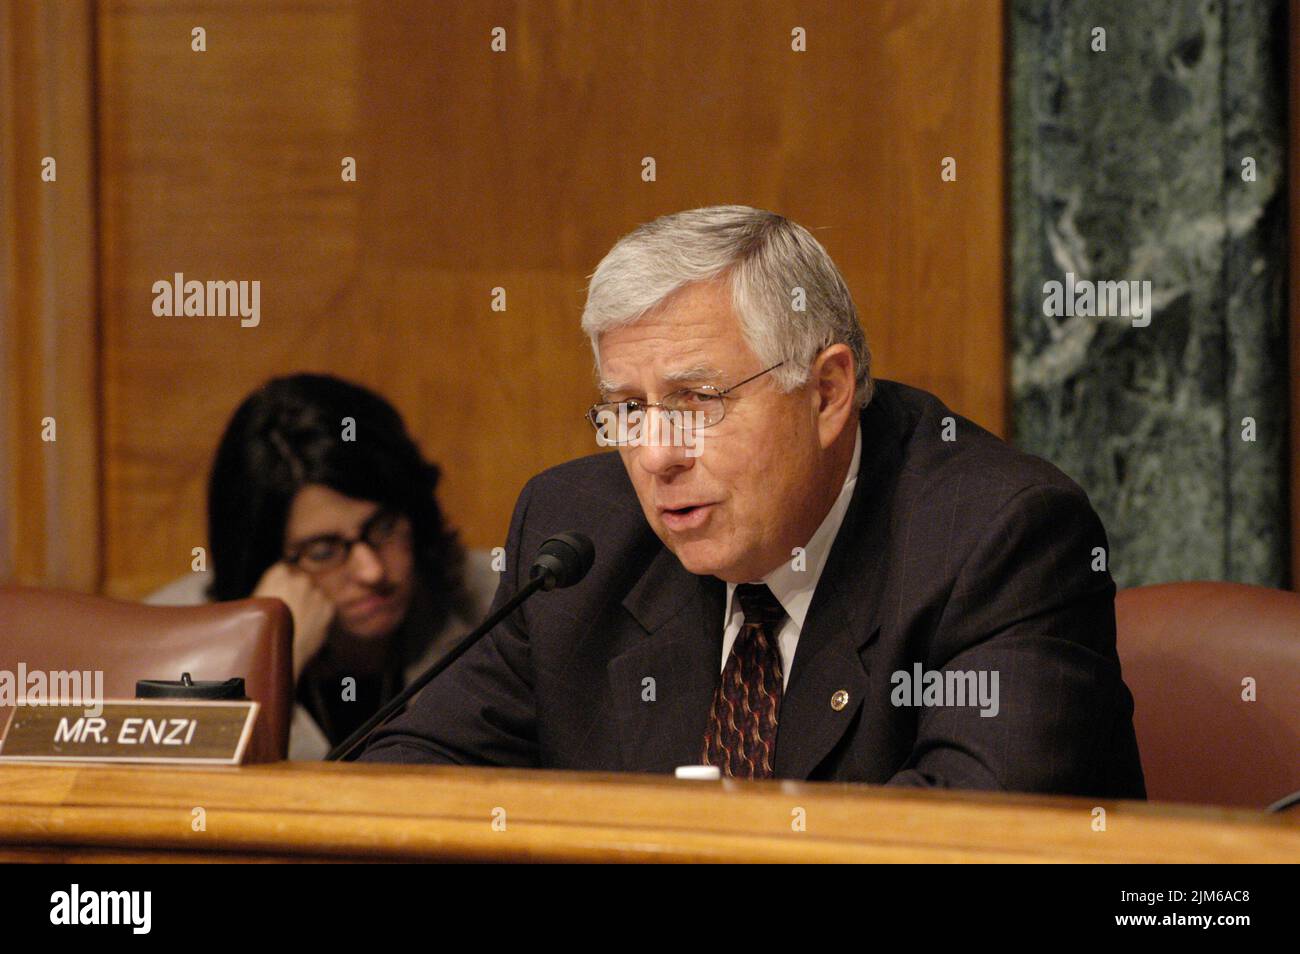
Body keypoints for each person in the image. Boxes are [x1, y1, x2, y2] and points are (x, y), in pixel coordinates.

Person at [359, 206, 1146, 798]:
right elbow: (408, 777)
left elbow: (966, 837)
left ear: (827, 392)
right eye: (627, 409)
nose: (657, 456)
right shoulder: (578, 535)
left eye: (697, 401)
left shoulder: (998, 539)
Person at [147, 374, 497, 759]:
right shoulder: (169, 643)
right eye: (324, 551)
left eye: (383, 527)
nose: (372, 571)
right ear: (264, 564)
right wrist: (271, 660)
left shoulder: (503, 602)